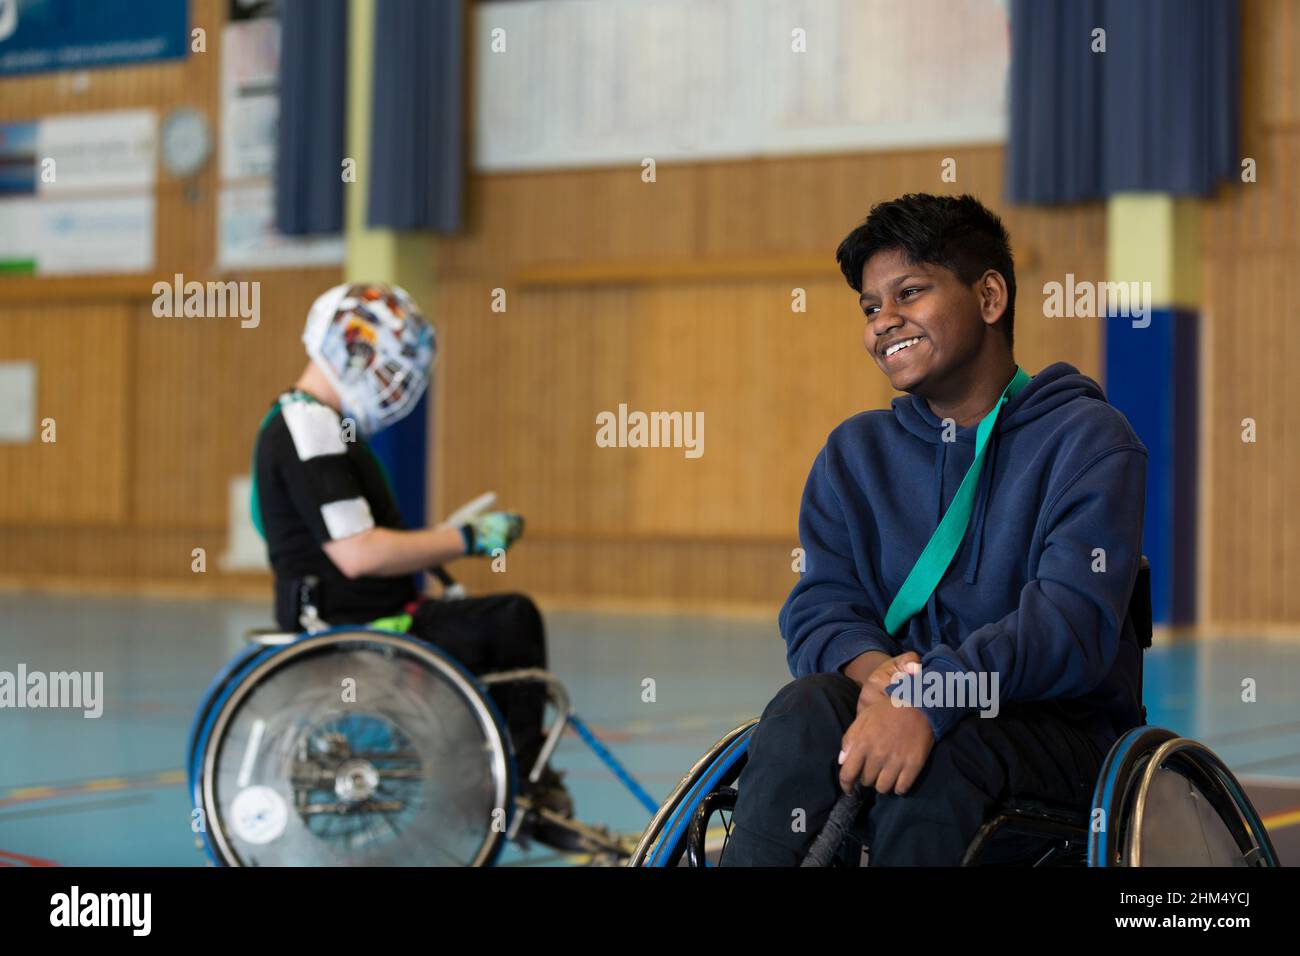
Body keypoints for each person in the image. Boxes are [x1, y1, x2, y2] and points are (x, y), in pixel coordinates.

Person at [722, 194, 1148, 866]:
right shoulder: (854, 454)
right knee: (803, 712)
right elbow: (820, 607)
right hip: (898, 699)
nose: (883, 323)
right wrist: (878, 679)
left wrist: (932, 696)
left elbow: (1069, 628)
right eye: (869, 307)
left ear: (988, 296)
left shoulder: (1088, 440)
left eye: (909, 293)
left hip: (1053, 734)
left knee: (941, 763)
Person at [250, 282, 574, 846]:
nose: (396, 386)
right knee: (511, 618)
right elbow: (357, 554)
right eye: (390, 368)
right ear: (354, 352)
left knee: (491, 622)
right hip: (348, 629)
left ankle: (495, 780)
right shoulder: (310, 426)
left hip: (370, 615)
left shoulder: (315, 424)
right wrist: (463, 538)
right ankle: (518, 788)